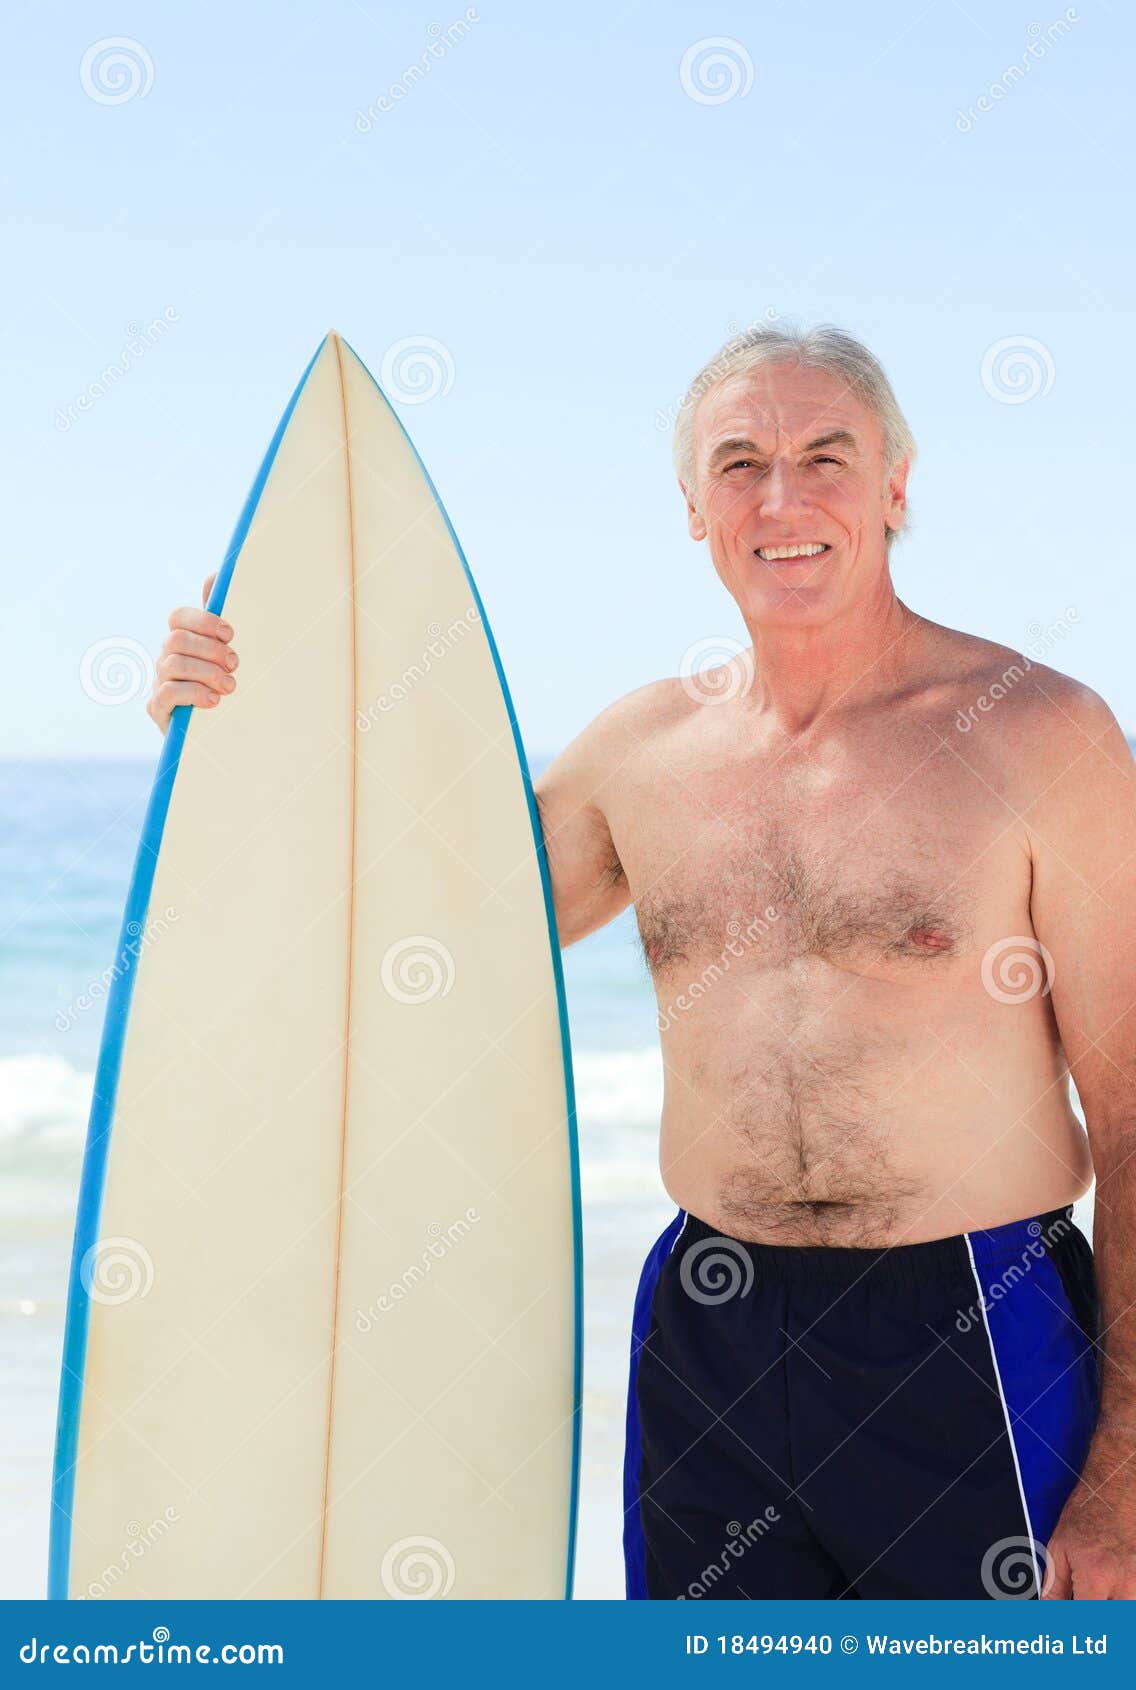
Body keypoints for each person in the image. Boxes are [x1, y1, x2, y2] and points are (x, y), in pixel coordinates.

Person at [147, 323, 1136, 1601]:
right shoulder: (641, 754)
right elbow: (414, 922)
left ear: (894, 485)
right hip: (709, 1331)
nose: (780, 499)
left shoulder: (1038, 736)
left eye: (824, 457)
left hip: (968, 1325)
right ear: (691, 508)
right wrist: (232, 727)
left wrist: (1123, 1472)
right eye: (738, 464)